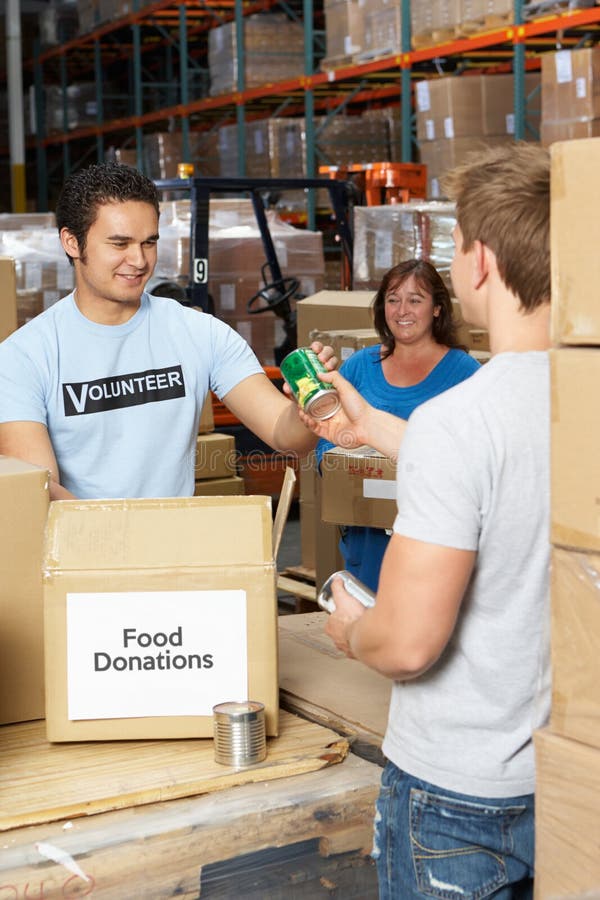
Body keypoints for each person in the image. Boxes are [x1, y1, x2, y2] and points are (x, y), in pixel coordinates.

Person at [300, 142, 552, 898]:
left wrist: (350, 628)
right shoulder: (577, 397)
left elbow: (407, 646)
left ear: (476, 264)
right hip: (566, 780)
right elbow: (513, 473)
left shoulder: (460, 416)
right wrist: (374, 425)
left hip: (459, 797)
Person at [0, 162, 335, 500]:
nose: (140, 260)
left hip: (176, 547)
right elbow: (39, 489)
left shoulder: (200, 333)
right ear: (72, 242)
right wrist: (124, 540)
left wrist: (305, 410)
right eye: (120, 244)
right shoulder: (25, 356)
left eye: (149, 242)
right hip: (84, 547)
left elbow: (284, 435)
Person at [315, 259, 479, 592]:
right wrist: (344, 459)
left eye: (415, 300)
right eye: (393, 300)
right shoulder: (361, 366)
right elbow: (325, 450)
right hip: (368, 542)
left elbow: (478, 461)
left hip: (436, 545)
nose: (402, 310)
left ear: (436, 308)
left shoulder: (464, 373)